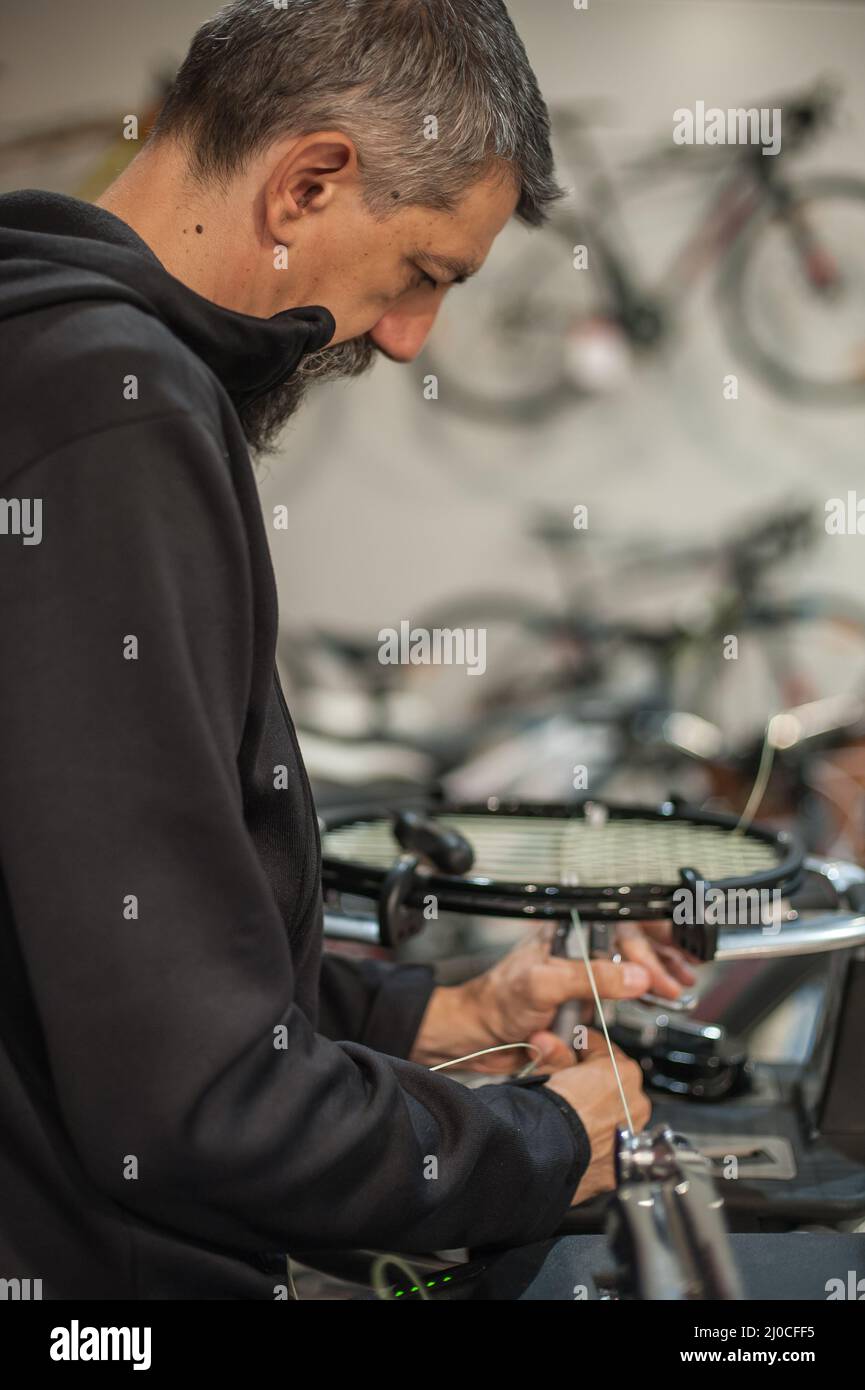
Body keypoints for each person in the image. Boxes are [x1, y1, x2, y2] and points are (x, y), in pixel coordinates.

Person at [0, 0, 691, 1299]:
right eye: (426, 272)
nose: (410, 336)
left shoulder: (41, 357)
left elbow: (103, 944)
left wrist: (435, 1016)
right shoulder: (109, 412)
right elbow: (193, 1098)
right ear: (307, 182)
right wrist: (547, 1141)